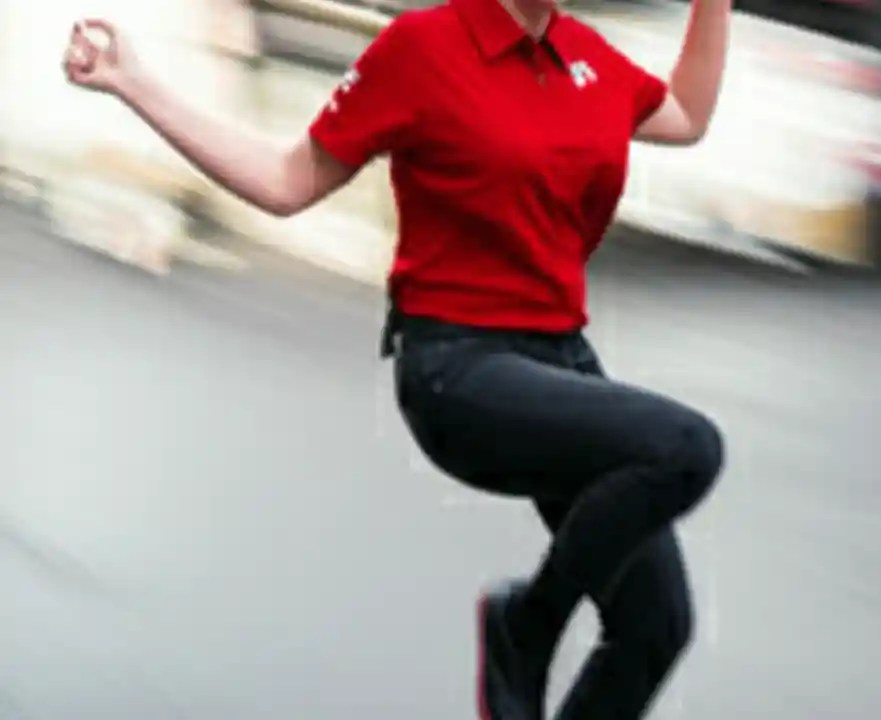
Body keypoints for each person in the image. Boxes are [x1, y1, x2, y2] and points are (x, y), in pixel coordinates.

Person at [62, 0, 731, 718]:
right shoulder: (423, 47)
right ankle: (527, 624)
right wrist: (135, 82)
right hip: (458, 369)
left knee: (655, 626)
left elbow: (687, 115)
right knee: (685, 446)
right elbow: (288, 181)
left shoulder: (585, 57)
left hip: (559, 360)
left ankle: (527, 629)